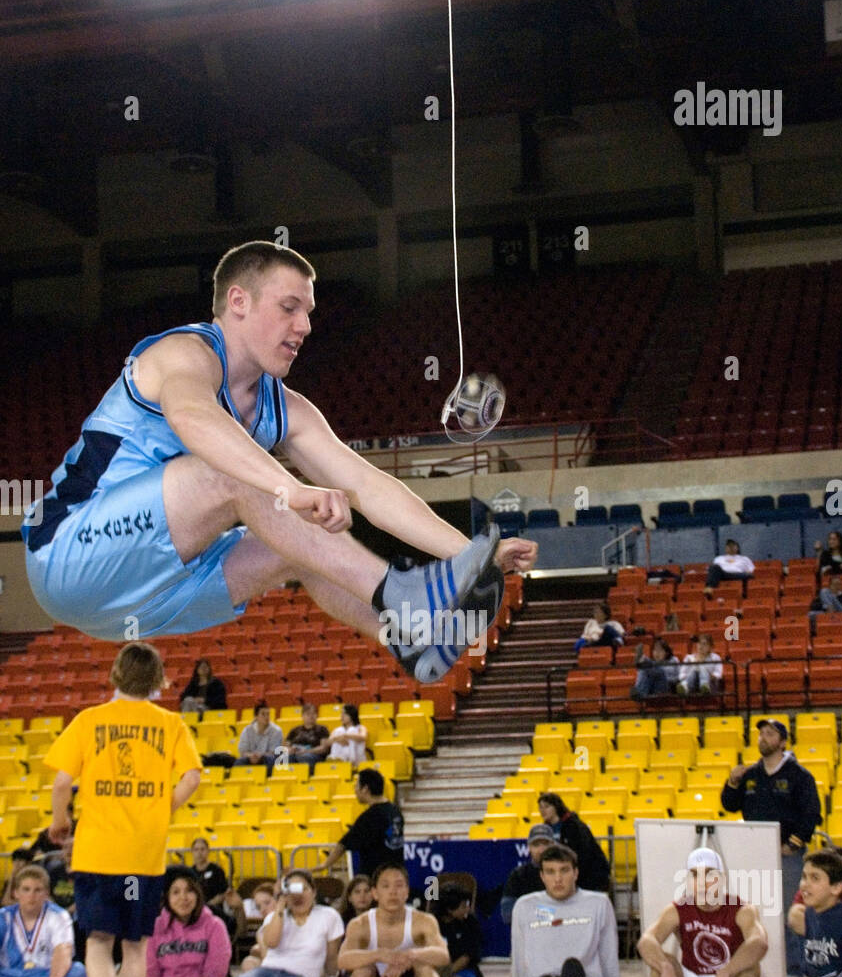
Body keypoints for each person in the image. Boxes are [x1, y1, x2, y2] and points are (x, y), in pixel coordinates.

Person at [22, 241, 535, 685]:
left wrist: (473, 554)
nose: (305, 326)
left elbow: (369, 486)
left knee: (304, 542)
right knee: (243, 477)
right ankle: (403, 596)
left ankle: (407, 636)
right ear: (238, 302)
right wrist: (288, 488)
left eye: (308, 312)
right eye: (289, 307)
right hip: (69, 556)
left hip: (153, 595)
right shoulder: (185, 354)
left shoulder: (286, 407)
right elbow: (193, 416)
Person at [43, 642, 201, 977]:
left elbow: (60, 783)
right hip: (143, 856)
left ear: (114, 675)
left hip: (97, 852)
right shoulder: (169, 724)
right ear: (156, 681)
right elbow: (193, 777)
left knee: (97, 941)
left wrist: (61, 823)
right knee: (135, 949)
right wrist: (164, 806)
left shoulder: (89, 720)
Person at [625, 848, 768, 977]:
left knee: (751, 968)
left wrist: (726, 972)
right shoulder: (678, 909)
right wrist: (665, 967)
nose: (701, 883)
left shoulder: (742, 909)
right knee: (662, 959)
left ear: (721, 878)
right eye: (694, 875)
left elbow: (759, 943)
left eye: (709, 874)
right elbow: (647, 940)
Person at [721, 718, 821, 974]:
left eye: (769, 734)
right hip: (756, 854)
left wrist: (793, 844)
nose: (763, 738)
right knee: (756, 911)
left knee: (790, 912)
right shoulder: (751, 774)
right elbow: (730, 805)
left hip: (786, 856)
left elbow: (811, 813)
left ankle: (794, 971)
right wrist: (732, 782)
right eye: (761, 734)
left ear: (782, 741)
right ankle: (760, 969)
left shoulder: (799, 776)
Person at [503, 844, 622, 977]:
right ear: (541, 876)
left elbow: (609, 959)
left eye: (564, 870)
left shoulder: (598, 904)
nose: (558, 879)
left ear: (575, 873)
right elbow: (519, 962)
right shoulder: (525, 906)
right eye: (550, 872)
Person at [334, 863, 450, 977]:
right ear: (375, 893)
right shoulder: (360, 924)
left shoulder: (424, 921)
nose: (393, 892)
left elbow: (443, 956)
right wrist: (378, 955)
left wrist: (410, 955)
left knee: (424, 963)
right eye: (386, 886)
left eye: (399, 885)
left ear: (407, 891)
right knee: (364, 967)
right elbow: (342, 960)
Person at [220, 869, 343, 977]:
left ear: (314, 892)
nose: (298, 895)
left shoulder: (328, 916)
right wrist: (280, 905)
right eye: (291, 890)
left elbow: (331, 959)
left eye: (303, 889)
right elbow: (271, 942)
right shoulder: (275, 916)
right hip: (268, 972)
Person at [139, 871, 231, 977]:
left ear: (198, 894)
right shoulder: (155, 927)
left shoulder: (214, 925)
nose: (183, 897)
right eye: (176, 892)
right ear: (167, 897)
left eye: (189, 891)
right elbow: (150, 975)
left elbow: (215, 974)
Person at [0, 864, 89, 977]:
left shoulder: (58, 916)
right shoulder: (4, 917)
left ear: (47, 893)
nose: (31, 896)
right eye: (26, 889)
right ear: (15, 893)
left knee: (78, 972)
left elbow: (64, 951)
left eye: (37, 890)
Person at [319, 768, 404, 878]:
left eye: (356, 785)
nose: (355, 790)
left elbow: (344, 844)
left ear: (365, 789)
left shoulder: (370, 816)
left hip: (377, 878)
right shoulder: (395, 811)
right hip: (397, 874)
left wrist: (324, 865)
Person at [536, 793, 610, 893]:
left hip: (590, 877)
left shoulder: (575, 826)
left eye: (547, 806)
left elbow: (585, 853)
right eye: (540, 807)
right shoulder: (545, 829)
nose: (542, 810)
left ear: (556, 807)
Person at [499, 823, 556, 925]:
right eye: (536, 845)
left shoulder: (564, 873)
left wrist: (529, 909)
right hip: (529, 934)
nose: (541, 849)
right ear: (529, 847)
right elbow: (507, 914)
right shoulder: (518, 875)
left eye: (545, 844)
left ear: (554, 845)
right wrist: (549, 915)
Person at [188, 836, 238, 943]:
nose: (199, 853)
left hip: (214, 910)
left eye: (202, 849)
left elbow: (223, 893)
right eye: (196, 849)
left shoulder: (216, 870)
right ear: (192, 852)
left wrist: (207, 906)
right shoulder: (190, 873)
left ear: (208, 851)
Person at [435, 884, 484, 977]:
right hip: (436, 970)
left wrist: (446, 975)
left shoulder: (471, 923)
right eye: (463, 906)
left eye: (467, 905)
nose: (467, 909)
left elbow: (467, 957)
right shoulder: (433, 924)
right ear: (449, 909)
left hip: (463, 971)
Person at [791, 846, 842, 914]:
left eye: (815, 878)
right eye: (804, 876)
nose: (805, 884)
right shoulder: (808, 892)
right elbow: (796, 913)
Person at [236, 701, 284, 769]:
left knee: (270, 761)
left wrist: (259, 756)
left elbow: (274, 752)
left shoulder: (276, 731)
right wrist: (251, 756)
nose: (266, 717)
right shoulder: (247, 730)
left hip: (267, 758)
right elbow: (243, 751)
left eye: (268, 714)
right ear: (256, 716)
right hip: (251, 758)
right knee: (239, 762)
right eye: (263, 714)